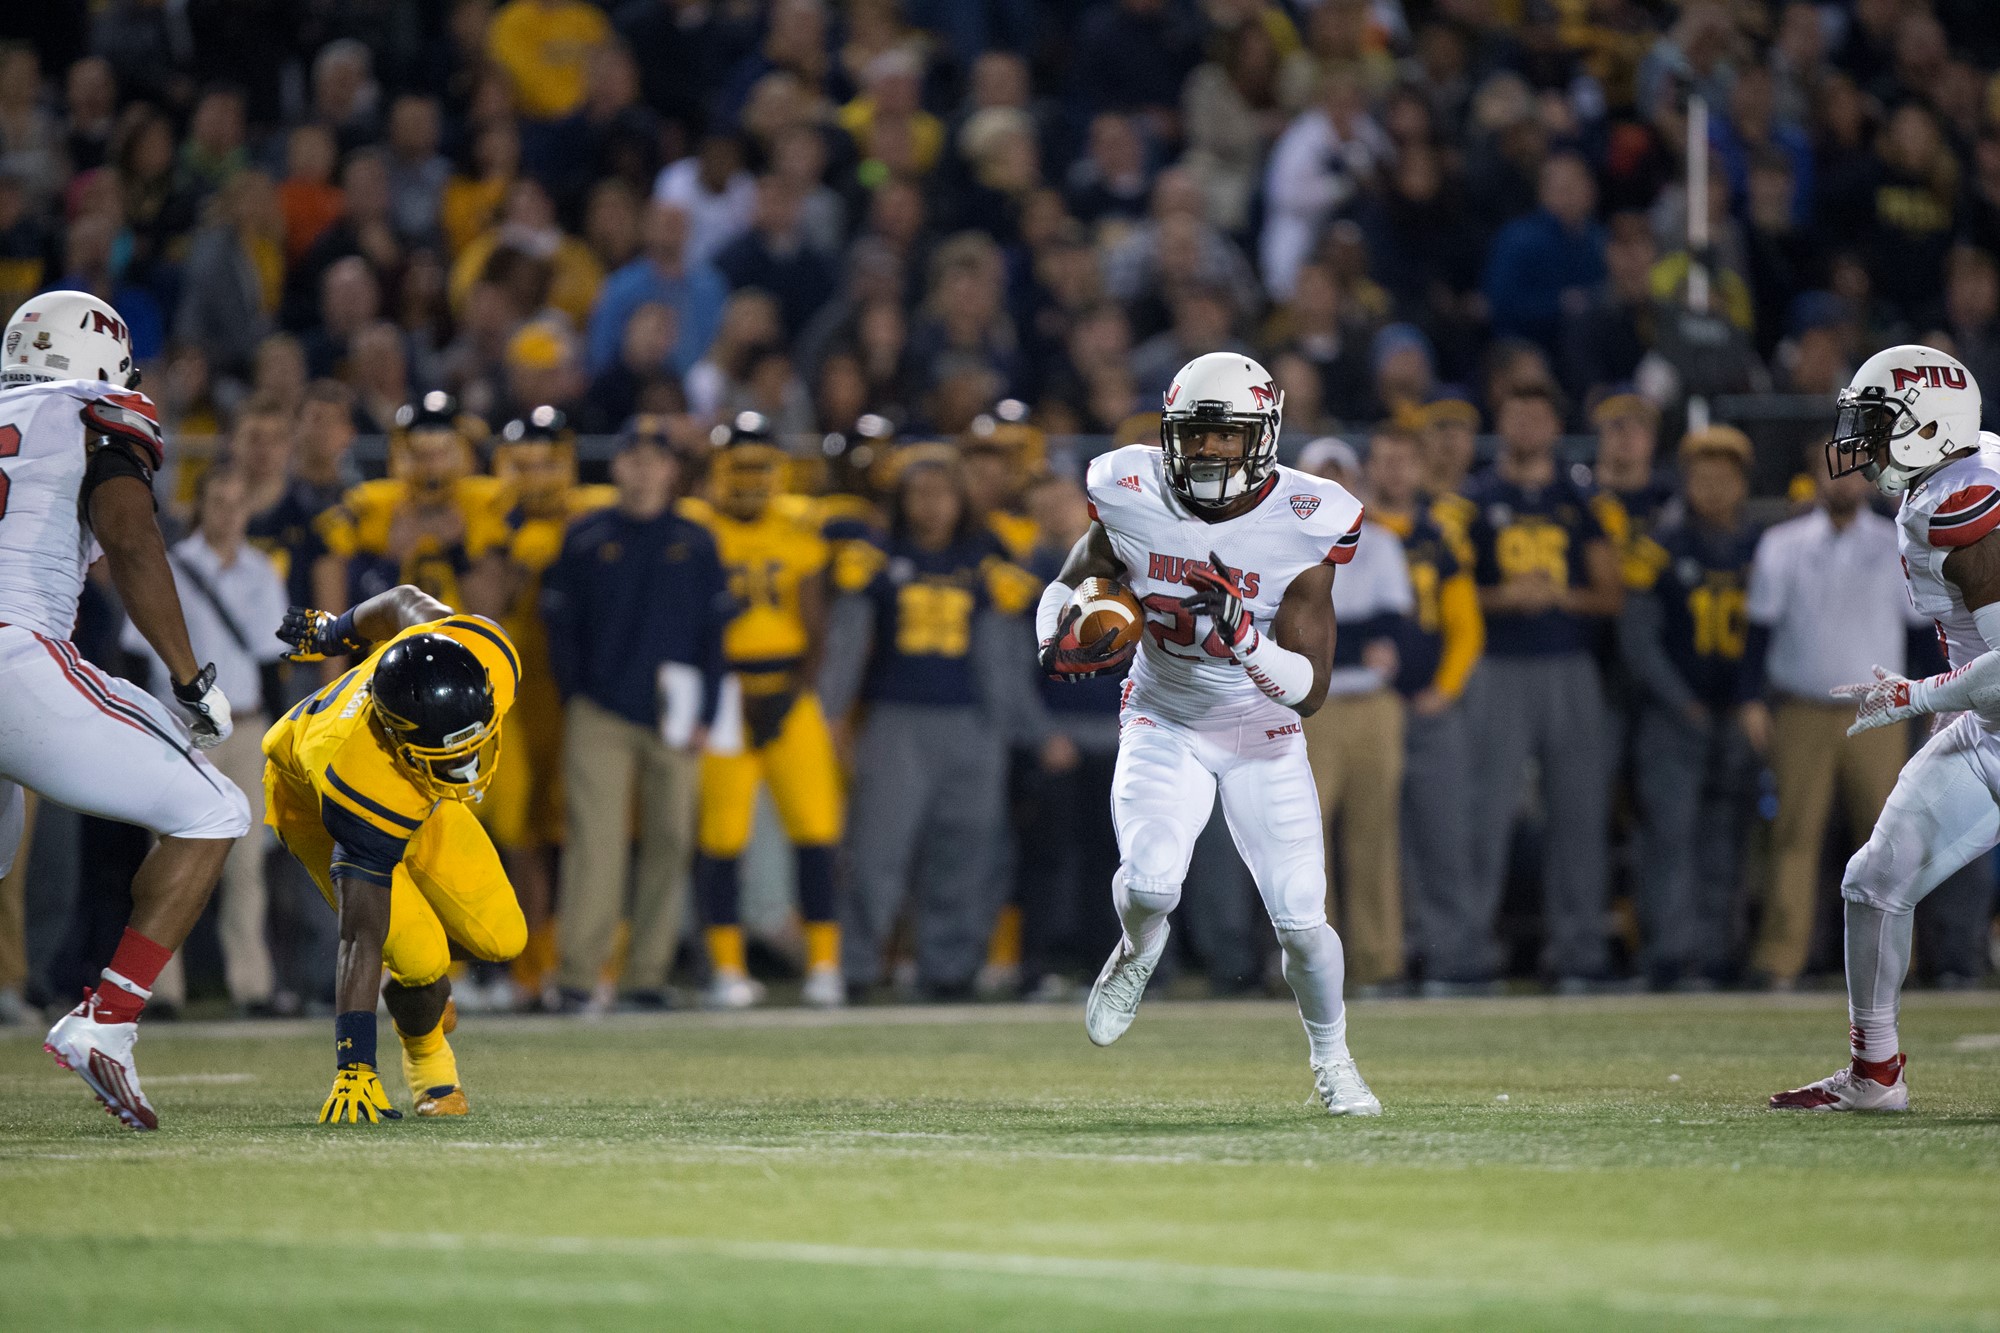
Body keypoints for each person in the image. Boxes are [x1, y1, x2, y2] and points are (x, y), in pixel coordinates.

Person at [1036, 351, 1381, 1116]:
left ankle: (1336, 1061)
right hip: (1164, 713)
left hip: (1263, 730)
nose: (1210, 451)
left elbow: (1313, 689)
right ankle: (1138, 947)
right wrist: (1050, 633)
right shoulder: (1129, 488)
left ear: (1263, 436)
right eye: (1197, 434)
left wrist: (1245, 640)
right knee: (1152, 880)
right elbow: (1072, 578)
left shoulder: (1306, 517)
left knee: (1299, 917)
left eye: (1228, 436)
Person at [5, 291, 246, 1131]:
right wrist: (189, 676)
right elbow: (132, 536)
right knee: (216, 808)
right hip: (15, 653)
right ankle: (107, 1018)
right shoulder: (95, 411)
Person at [1772, 345, 2000, 1111]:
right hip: (1990, 729)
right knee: (1873, 881)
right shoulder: (1951, 481)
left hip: (1985, 705)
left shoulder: (1965, 502)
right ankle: (1875, 1075)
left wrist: (1915, 695)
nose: (1861, 442)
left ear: (1928, 428)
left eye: (1877, 424)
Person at [266, 587, 526, 1121]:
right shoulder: (358, 779)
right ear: (398, 739)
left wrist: (335, 632)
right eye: (451, 756)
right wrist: (353, 1063)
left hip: (416, 791)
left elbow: (405, 600)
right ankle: (428, 1057)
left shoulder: (483, 650)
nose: (472, 768)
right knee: (419, 957)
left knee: (504, 937)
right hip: (316, 805)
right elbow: (359, 938)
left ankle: (425, 1000)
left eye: (474, 747)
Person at [819, 449, 1040, 999]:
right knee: (876, 851)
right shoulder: (877, 556)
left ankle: (950, 969)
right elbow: (847, 644)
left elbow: (1009, 650)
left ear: (961, 499)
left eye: (943, 493)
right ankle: (859, 967)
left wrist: (1016, 725)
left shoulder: (986, 556)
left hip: (971, 721)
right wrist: (831, 711)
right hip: (897, 720)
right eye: (920, 494)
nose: (933, 506)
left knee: (965, 851)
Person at [540, 420, 729, 1011]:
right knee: (596, 845)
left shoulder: (697, 542)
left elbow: (714, 637)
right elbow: (559, 627)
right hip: (602, 710)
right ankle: (576, 976)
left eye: (657, 459)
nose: (646, 469)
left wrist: (711, 711)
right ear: (618, 466)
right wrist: (578, 693)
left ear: (673, 470)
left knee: (671, 840)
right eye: (636, 458)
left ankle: (644, 977)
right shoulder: (587, 536)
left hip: (676, 715)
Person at [1457, 383, 1624, 989]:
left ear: (1556, 425)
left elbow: (1611, 594)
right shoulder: (1474, 499)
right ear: (1501, 422)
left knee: (1579, 814)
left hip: (1568, 662)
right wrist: (1505, 597)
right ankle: (1467, 951)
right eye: (1516, 413)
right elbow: (1445, 592)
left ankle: (1579, 950)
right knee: (1484, 812)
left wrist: (1558, 596)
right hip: (1496, 665)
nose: (1526, 424)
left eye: (1538, 413)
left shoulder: (1581, 499)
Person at [1739, 437, 1918, 990]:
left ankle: (1891, 965)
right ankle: (1781, 959)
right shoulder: (1781, 543)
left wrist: (1929, 700)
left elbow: (1921, 635)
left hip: (1879, 709)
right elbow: (1758, 633)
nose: (1840, 479)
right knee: (1793, 836)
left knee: (1888, 842)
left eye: (1850, 470)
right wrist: (1751, 700)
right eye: (1829, 468)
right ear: (1812, 474)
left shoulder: (1898, 541)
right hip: (1802, 708)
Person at [684, 414, 846, 1009]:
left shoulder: (798, 528)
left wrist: (793, 691)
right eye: (739, 467)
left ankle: (825, 965)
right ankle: (727, 969)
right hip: (723, 692)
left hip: (786, 690)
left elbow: (817, 624)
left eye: (760, 467)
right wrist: (724, 690)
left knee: (816, 831)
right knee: (721, 836)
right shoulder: (697, 529)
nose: (750, 480)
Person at [120, 467, 288, 1014]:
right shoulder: (171, 567)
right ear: (203, 505)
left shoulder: (262, 571)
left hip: (244, 725)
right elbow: (137, 653)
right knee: (170, 857)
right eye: (219, 500)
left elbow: (270, 663)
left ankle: (252, 984)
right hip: (182, 730)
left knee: (247, 865)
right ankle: (159, 987)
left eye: (237, 502)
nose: (228, 512)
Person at [476, 407, 616, 1008]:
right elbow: (488, 605)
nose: (533, 472)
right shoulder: (490, 518)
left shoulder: (596, 515)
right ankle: (528, 966)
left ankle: (589, 962)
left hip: (579, 690)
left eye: (544, 458)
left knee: (586, 834)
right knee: (516, 833)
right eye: (522, 460)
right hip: (511, 694)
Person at [1618, 427, 1762, 989]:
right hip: (1675, 717)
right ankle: (1670, 955)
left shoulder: (1760, 546)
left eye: (1724, 478)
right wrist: (1681, 701)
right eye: (1702, 477)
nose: (1713, 488)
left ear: (1743, 483)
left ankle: (1720, 951)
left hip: (1738, 713)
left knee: (1727, 836)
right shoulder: (1659, 546)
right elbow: (1638, 640)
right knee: (1670, 836)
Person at [1362, 426, 1484, 989]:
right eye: (1384, 461)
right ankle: (1392, 955)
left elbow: (1466, 626)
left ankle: (1452, 957)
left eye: (1403, 462)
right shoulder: (1346, 535)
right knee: (1377, 838)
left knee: (1443, 835)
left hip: (1431, 708)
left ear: (1418, 470)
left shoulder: (1438, 536)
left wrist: (1447, 687)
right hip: (1368, 706)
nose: (1394, 472)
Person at [1294, 438, 1412, 992]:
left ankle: (1378, 961)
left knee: (1374, 834)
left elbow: (1396, 631)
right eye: (1323, 479)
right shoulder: (1284, 547)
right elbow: (1292, 632)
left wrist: (1333, 635)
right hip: (1308, 707)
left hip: (1370, 705)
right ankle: (1313, 964)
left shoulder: (1382, 541)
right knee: (1301, 840)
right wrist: (1356, 638)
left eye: (1341, 477)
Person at [314, 392, 512, 613]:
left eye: (440, 454)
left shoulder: (483, 503)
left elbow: (491, 611)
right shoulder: (371, 504)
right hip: (390, 644)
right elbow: (345, 611)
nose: (431, 467)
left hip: (463, 643)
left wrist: (458, 550)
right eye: (421, 455)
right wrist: (390, 561)